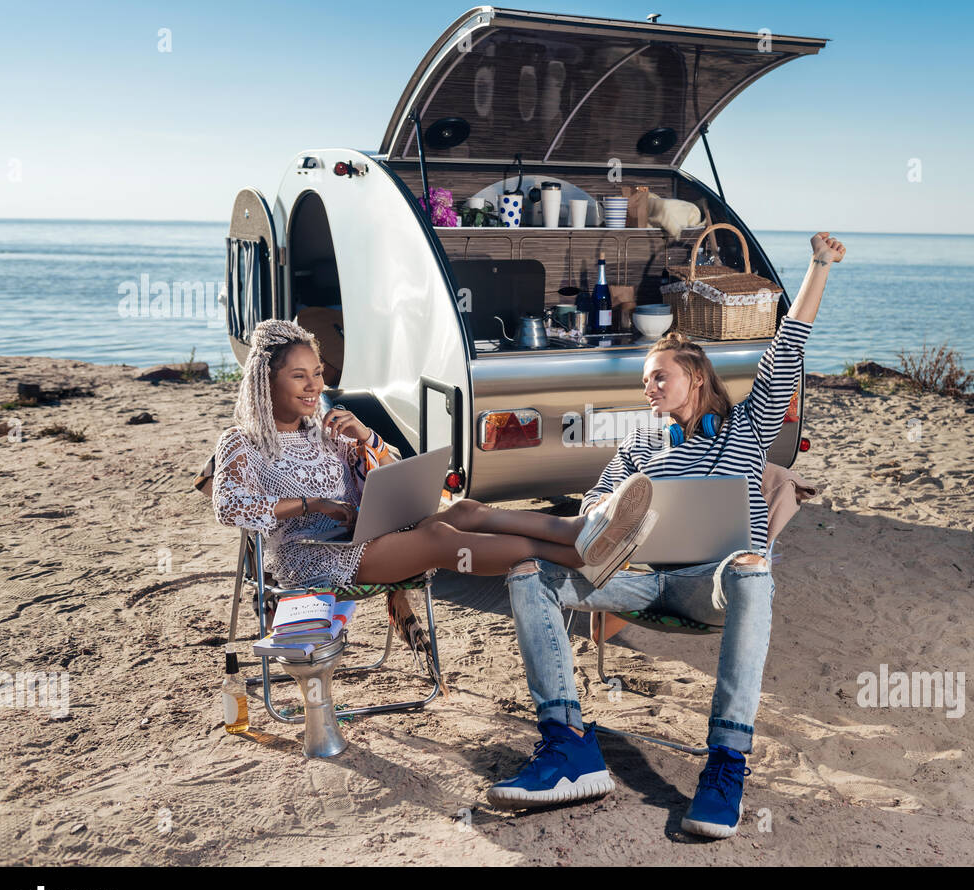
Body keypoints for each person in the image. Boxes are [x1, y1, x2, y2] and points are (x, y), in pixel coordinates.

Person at [488, 232, 846, 839]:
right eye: (645, 382)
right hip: (639, 580)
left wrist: (818, 268)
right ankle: (567, 743)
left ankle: (726, 764)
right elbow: (597, 505)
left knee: (754, 569)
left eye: (659, 378)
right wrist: (608, 508)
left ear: (697, 378)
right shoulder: (638, 448)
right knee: (527, 575)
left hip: (708, 585)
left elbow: (788, 349)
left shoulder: (746, 429)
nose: (648, 389)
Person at [211, 320, 656, 611]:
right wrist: (313, 504)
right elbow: (229, 506)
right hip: (312, 556)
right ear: (266, 380)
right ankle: (577, 557)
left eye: (318, 373)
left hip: (366, 534)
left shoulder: (327, 429)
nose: (315, 386)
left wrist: (367, 438)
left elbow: (385, 476)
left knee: (466, 510)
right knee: (442, 535)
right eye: (299, 376)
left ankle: (584, 529)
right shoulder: (241, 442)